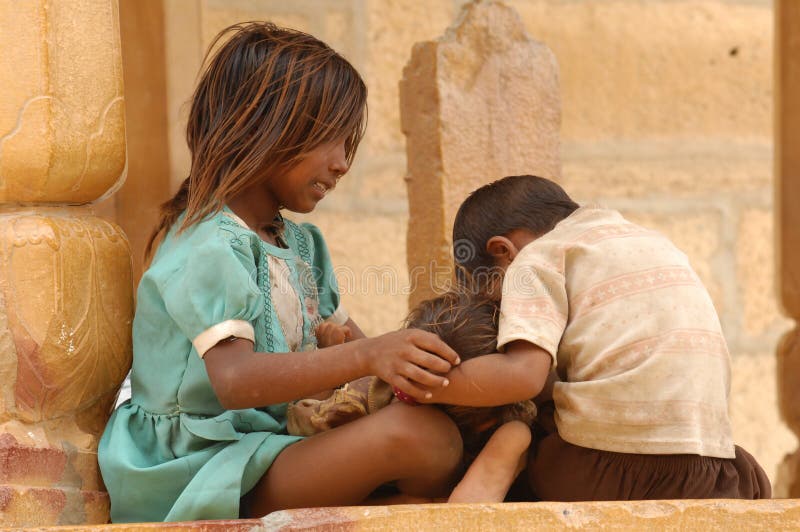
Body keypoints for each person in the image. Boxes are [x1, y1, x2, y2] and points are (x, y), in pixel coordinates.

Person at [98, 22, 463, 523]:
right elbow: (237, 381)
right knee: (421, 440)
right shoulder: (206, 247)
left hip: (271, 443)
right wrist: (368, 355)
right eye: (331, 139)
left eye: (347, 143)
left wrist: (401, 365)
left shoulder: (301, 245)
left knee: (440, 432)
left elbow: (344, 352)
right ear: (267, 129)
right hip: (198, 466)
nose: (342, 164)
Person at [422, 174, 771, 501]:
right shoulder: (648, 240)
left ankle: (494, 472)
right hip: (709, 473)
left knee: (525, 438)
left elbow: (523, 376)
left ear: (502, 251)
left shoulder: (534, 260)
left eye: (496, 295)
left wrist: (423, 384)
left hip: (605, 471)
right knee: (747, 467)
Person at [287, 290, 537, 503]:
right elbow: (306, 421)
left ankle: (445, 499)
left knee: (516, 431)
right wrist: (336, 364)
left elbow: (304, 420)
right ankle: (449, 497)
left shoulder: (377, 390)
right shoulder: (368, 394)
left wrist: (334, 363)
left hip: (434, 475)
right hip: (414, 481)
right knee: (517, 431)